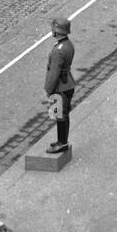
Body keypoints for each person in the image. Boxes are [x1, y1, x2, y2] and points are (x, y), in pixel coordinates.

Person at [44, 16, 76, 154]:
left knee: (60, 115)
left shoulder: (58, 50)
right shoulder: (68, 44)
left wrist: (49, 89)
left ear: (57, 31)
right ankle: (62, 140)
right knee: (64, 114)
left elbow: (53, 73)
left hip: (60, 87)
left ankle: (62, 143)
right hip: (68, 82)